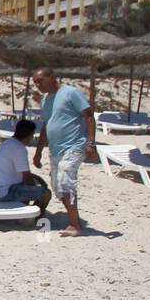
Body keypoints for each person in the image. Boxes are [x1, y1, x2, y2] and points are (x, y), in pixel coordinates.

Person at [32, 68, 96, 237]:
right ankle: (74, 217)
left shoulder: (71, 93)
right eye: (35, 83)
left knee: (66, 182)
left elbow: (89, 115)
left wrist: (90, 142)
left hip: (74, 145)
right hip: (55, 149)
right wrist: (38, 152)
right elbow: (46, 125)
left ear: (52, 77)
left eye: (40, 80)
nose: (37, 85)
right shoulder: (46, 100)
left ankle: (74, 225)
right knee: (57, 187)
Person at [0, 119, 51, 215]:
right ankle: (34, 218)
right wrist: (36, 190)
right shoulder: (19, 148)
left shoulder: (6, 143)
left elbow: (19, 171)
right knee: (45, 193)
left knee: (27, 186)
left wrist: (36, 178)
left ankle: (26, 211)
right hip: (3, 193)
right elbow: (26, 177)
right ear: (29, 135)